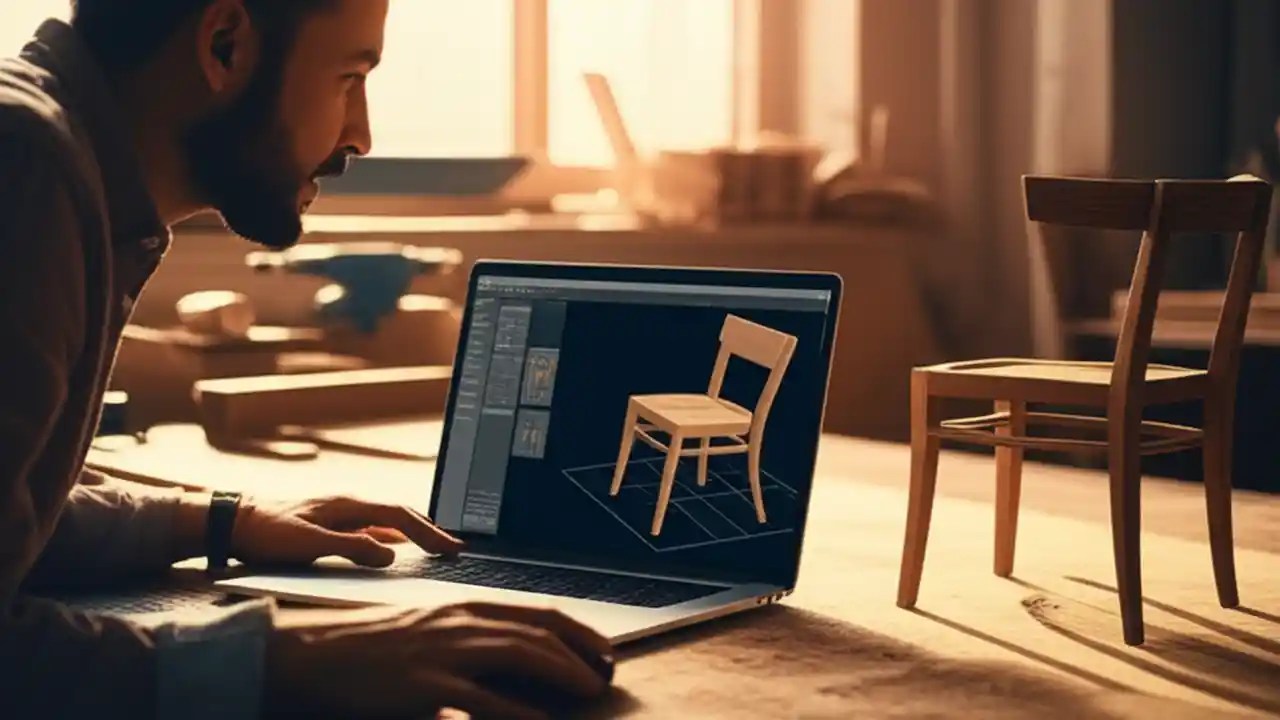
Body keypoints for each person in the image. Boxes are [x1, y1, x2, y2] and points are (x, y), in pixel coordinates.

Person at [0, 1, 614, 718]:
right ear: (225, 46)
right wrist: (296, 660)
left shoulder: (54, 159)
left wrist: (218, 522)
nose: (361, 135)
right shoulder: (27, 170)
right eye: (349, 77)